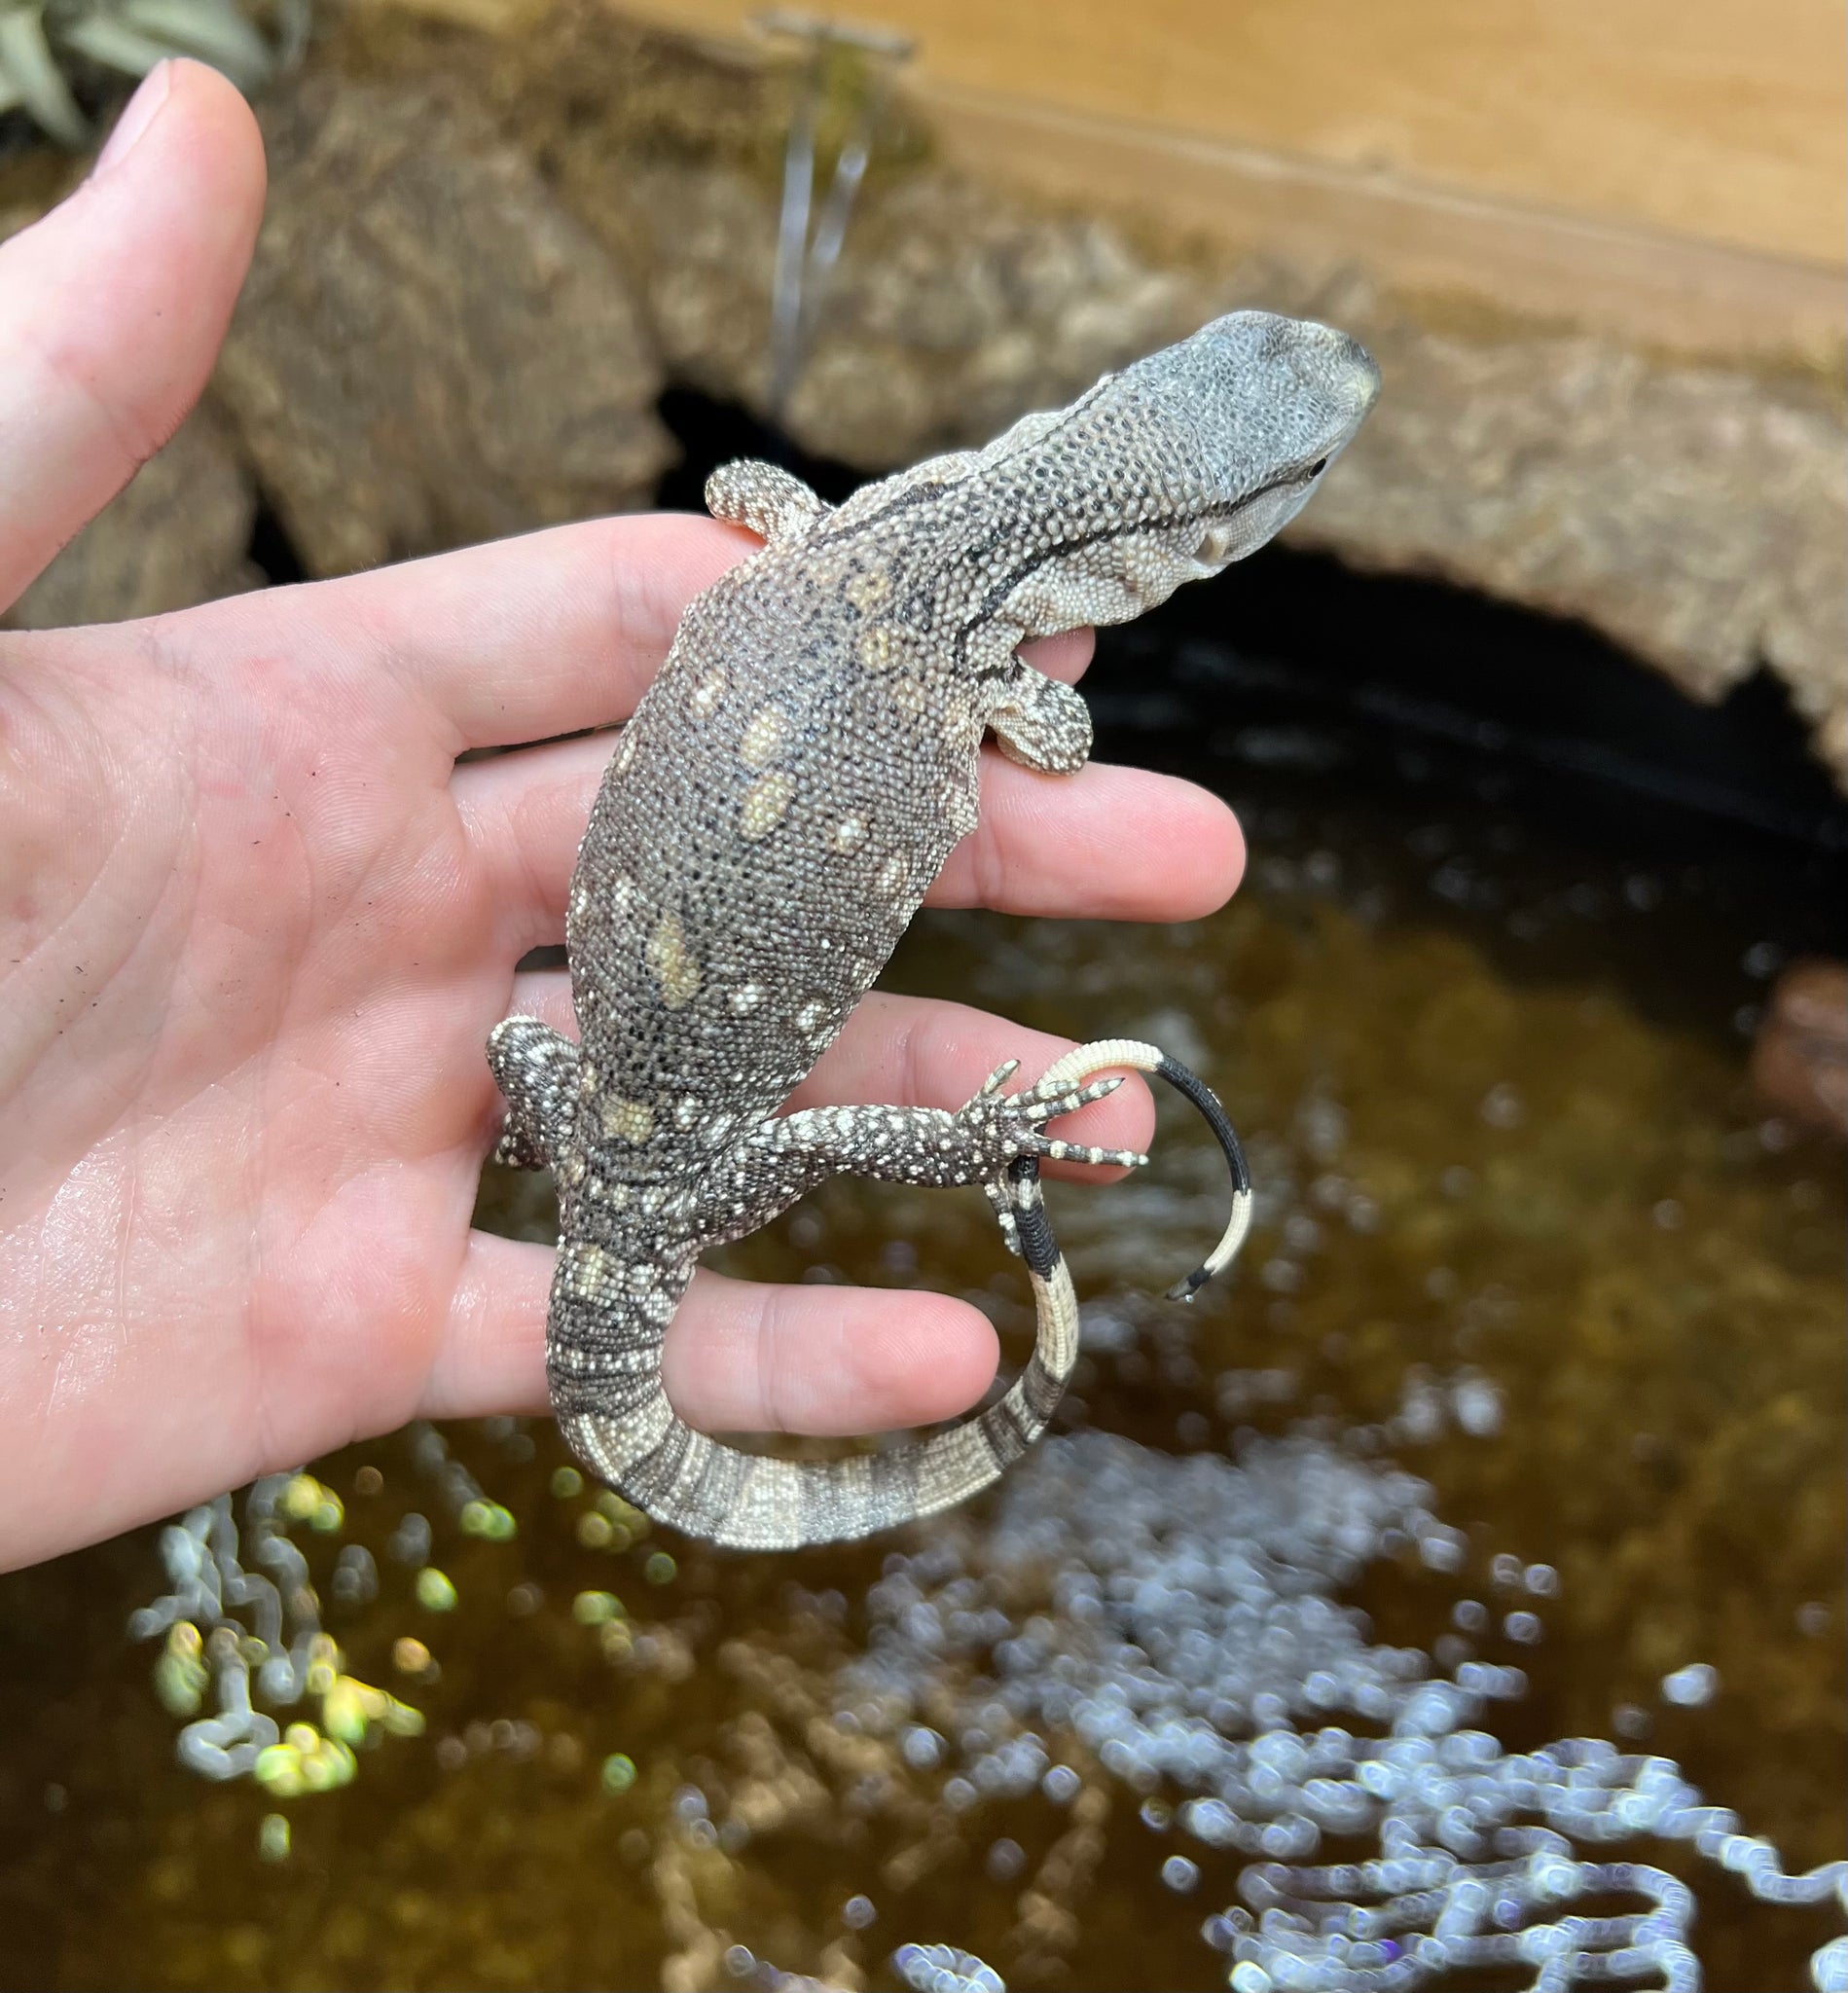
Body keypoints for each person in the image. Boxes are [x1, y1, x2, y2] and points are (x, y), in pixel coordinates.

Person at [0, 61, 1244, 1571]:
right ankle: (989, 1150)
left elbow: (734, 478)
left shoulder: (853, 520)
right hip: (592, 1108)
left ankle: (970, 1153)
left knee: (664, 1088)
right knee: (717, 1095)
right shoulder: (1001, 667)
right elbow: (1053, 732)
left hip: (630, 1108)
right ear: (1198, 536)